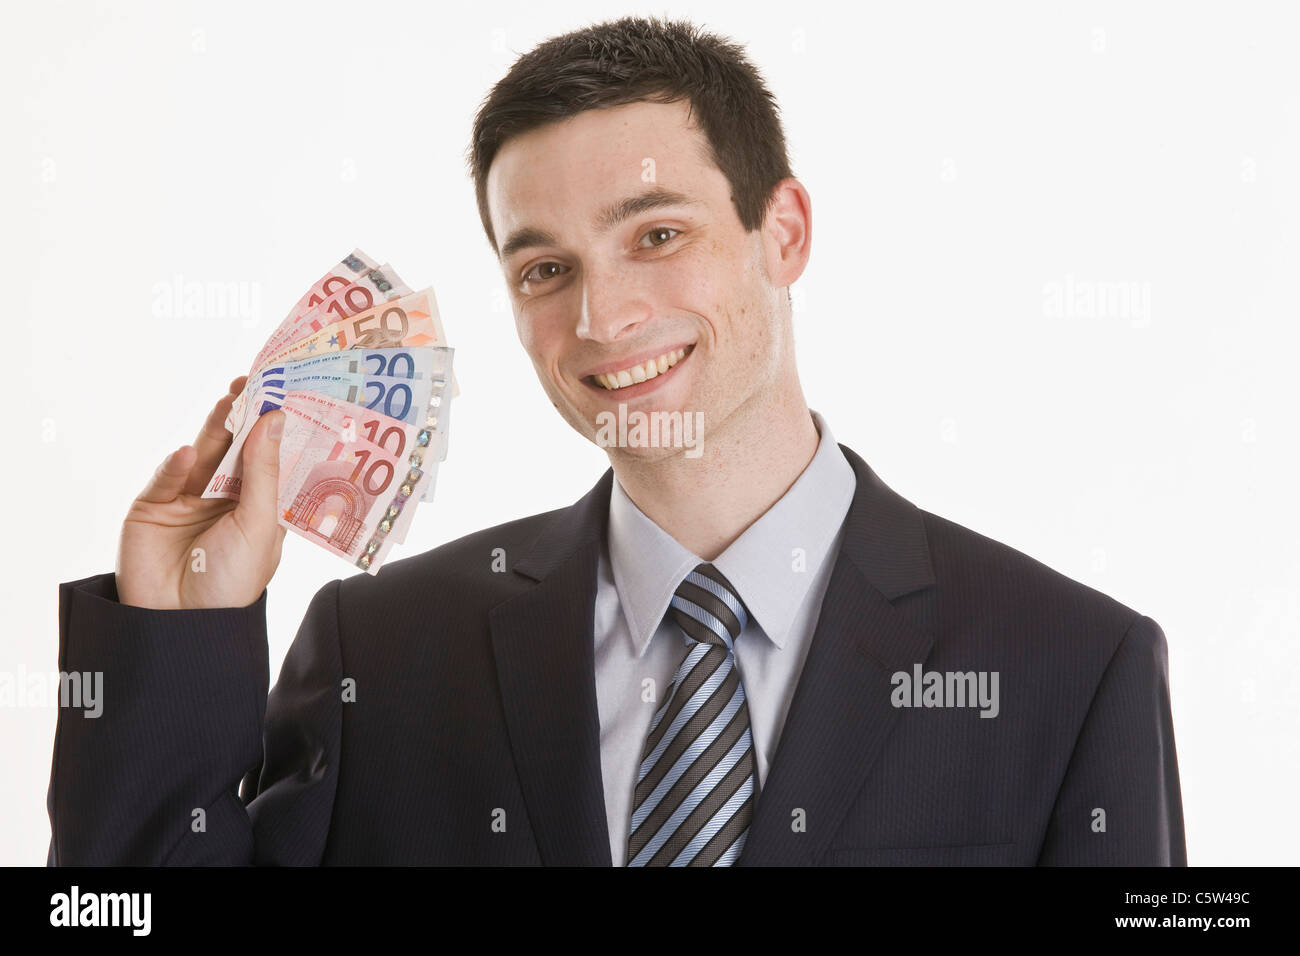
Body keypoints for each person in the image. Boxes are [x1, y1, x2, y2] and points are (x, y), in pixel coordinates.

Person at [47, 15, 1186, 866]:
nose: (599, 317)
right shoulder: (382, 655)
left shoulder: (1070, 666)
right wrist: (170, 639)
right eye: (545, 268)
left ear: (780, 231)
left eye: (655, 234)